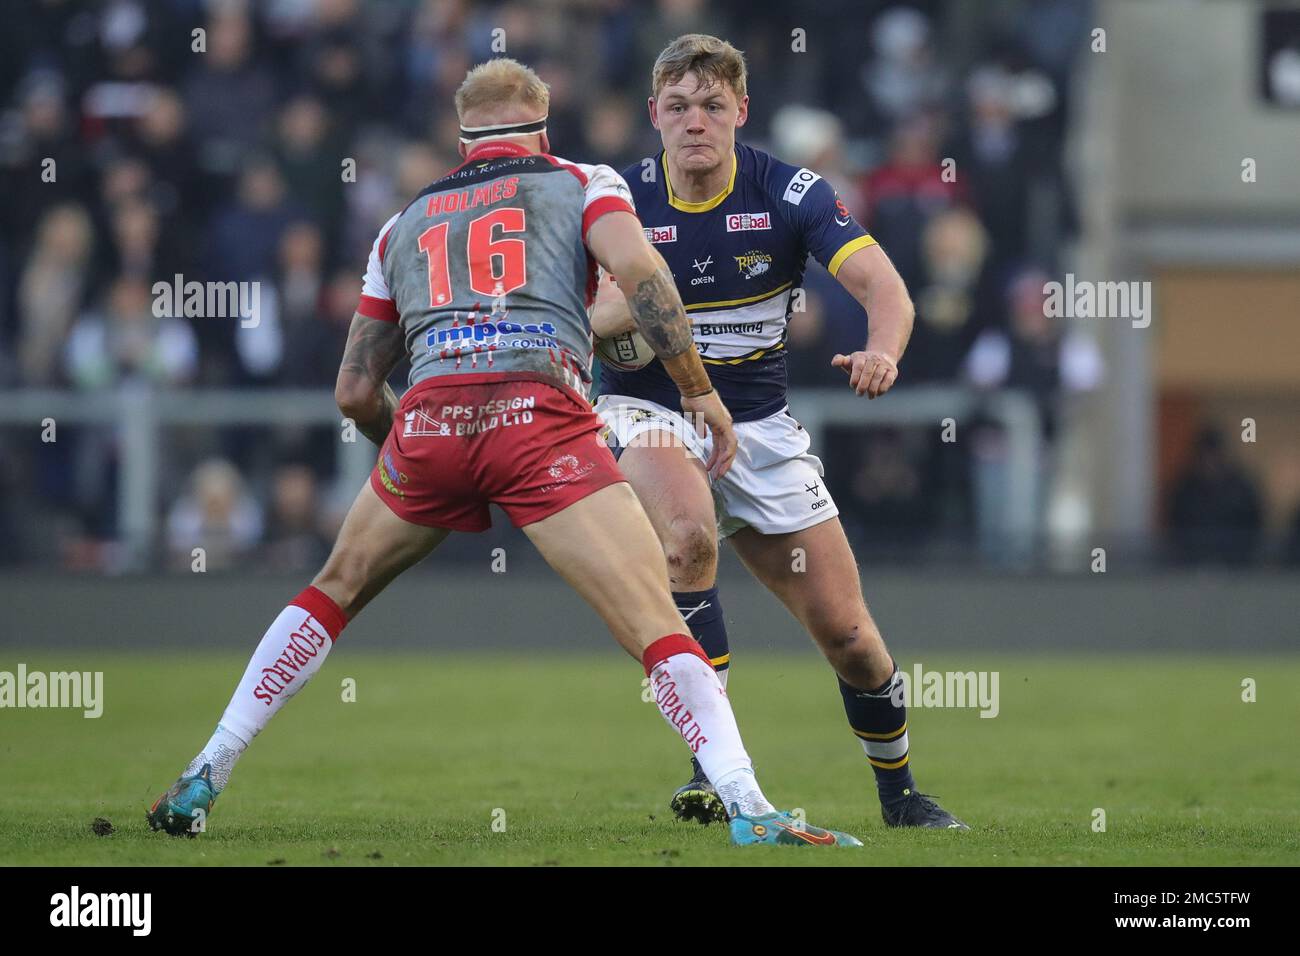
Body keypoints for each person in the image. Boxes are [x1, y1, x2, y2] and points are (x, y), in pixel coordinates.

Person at [147, 58, 861, 848]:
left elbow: (353, 389)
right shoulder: (584, 181)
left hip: (429, 421)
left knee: (332, 588)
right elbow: (645, 278)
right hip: (539, 419)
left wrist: (420, 462)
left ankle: (205, 770)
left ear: (462, 142)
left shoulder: (404, 220)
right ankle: (748, 805)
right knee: (657, 621)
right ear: (543, 127)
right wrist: (696, 390)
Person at [591, 35, 967, 829]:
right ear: (655, 115)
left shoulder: (791, 193)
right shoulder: (613, 200)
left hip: (759, 429)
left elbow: (885, 288)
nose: (696, 121)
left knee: (852, 638)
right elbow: (571, 318)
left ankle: (901, 796)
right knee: (688, 536)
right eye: (679, 107)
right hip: (649, 409)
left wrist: (881, 351)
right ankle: (708, 768)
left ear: (741, 112)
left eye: (712, 106)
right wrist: (620, 311)